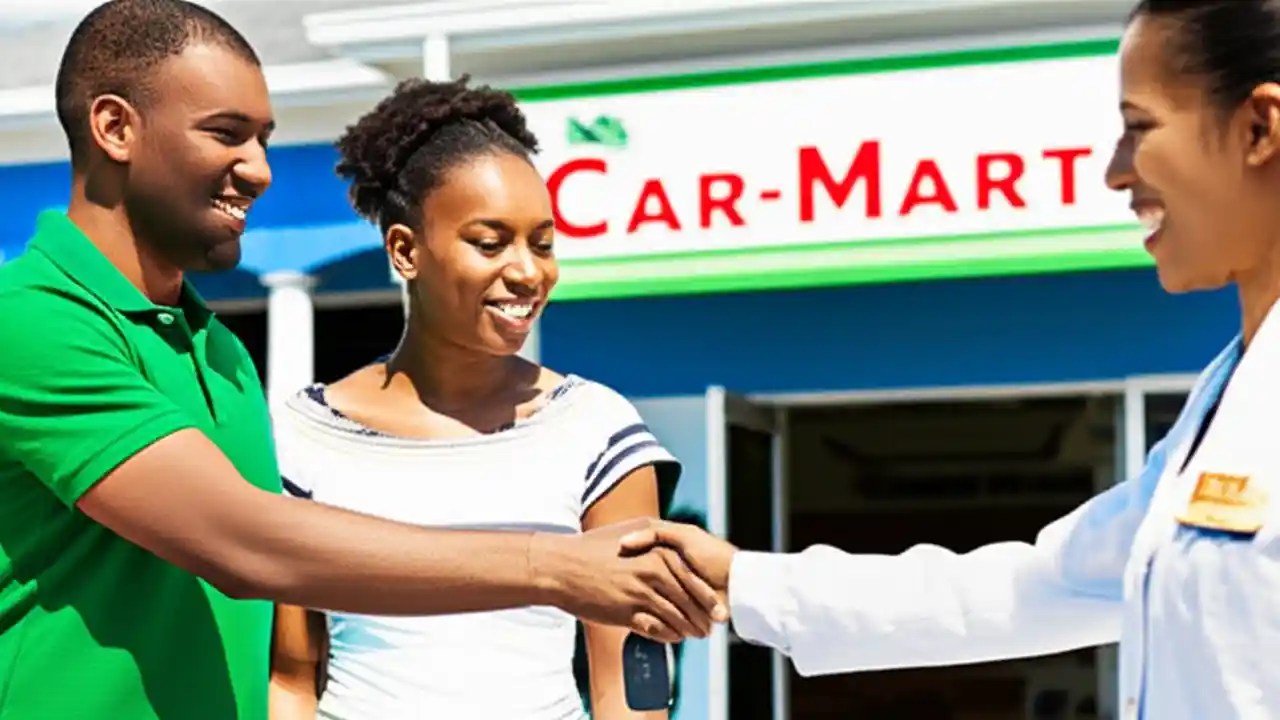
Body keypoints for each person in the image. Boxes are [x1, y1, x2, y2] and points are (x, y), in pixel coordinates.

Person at [0, 2, 722, 719]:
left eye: (264, 139)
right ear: (115, 127)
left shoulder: (221, 356)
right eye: (227, 135)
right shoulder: (26, 321)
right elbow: (246, 545)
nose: (260, 171)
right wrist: (555, 567)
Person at [623, 1, 1280, 718]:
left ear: (1259, 128)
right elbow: (1029, 588)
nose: (1116, 173)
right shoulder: (1224, 400)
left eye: (1139, 127)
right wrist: (745, 584)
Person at [267, 76, 682, 720]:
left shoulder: (596, 431)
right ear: (405, 250)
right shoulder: (301, 436)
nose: (527, 270)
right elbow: (290, 680)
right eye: (490, 243)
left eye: (542, 243)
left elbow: (631, 687)